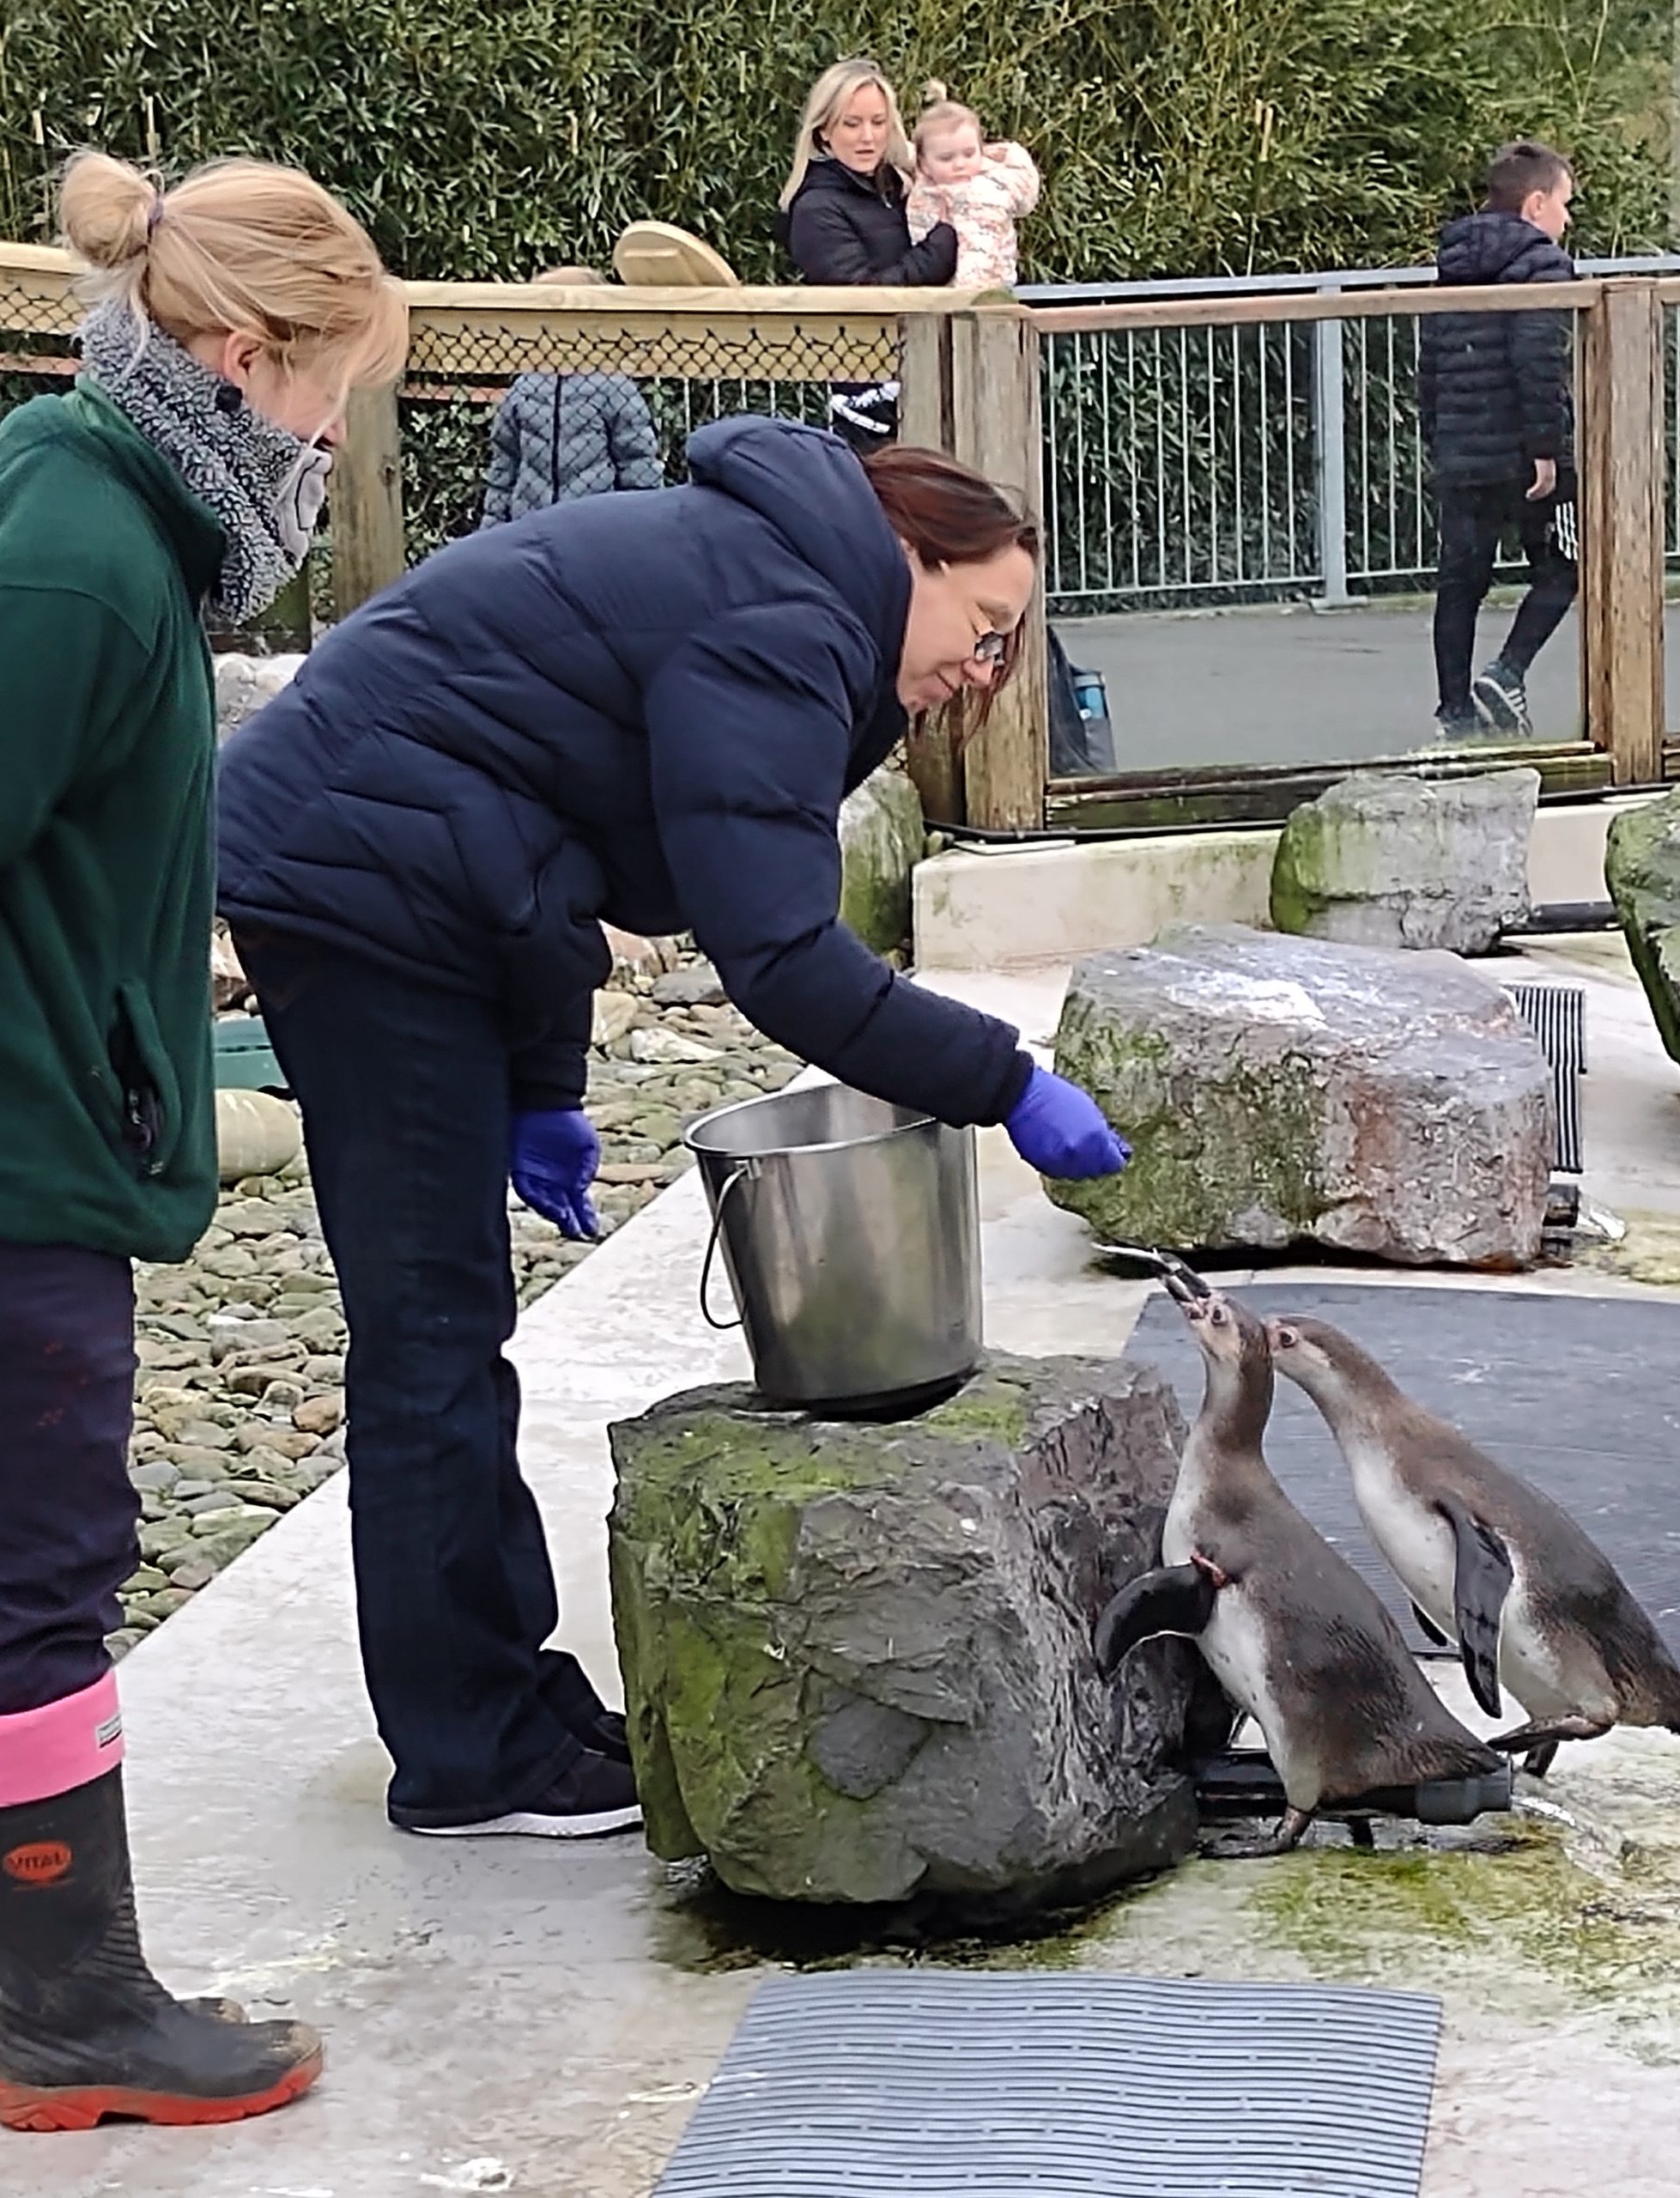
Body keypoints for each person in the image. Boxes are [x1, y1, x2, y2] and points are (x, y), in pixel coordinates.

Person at [215, 418, 1130, 1845]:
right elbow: (781, 959)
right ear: (911, 555)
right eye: (984, 622)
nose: (986, 669)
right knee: (429, 1336)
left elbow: (537, 829)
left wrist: (541, 1085)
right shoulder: (788, 620)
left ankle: (506, 1689)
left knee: (450, 1328)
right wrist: (1002, 1082)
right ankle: (469, 1754)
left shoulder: (759, 576)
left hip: (409, 874)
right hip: (354, 889)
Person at [0, 149, 405, 2129]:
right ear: (237, 357)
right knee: (43, 1557)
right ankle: (73, 2008)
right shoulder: (87, 552)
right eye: (327, 395)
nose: (327, 436)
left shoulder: (91, 485)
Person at [1419, 139, 1578, 740]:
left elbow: (1430, 363)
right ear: (1536, 204)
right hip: (1520, 451)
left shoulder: (1453, 264)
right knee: (1566, 564)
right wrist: (1546, 449)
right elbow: (1537, 359)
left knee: (1461, 579)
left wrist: (1439, 436)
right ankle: (1507, 671)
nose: (1568, 218)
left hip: (1462, 450)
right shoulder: (1542, 264)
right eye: (1564, 203)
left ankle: (1454, 713)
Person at [775, 58, 957, 449]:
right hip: (868, 404)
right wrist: (941, 248)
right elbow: (862, 294)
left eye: (878, 122)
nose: (868, 137)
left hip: (929, 377)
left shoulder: (899, 188)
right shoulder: (815, 209)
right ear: (824, 132)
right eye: (852, 124)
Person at [480, 265, 663, 527]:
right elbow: (504, 467)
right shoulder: (525, 387)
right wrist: (492, 529)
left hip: (594, 534)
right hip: (531, 530)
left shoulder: (613, 386)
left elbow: (638, 469)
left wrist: (642, 532)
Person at [906, 84, 1041, 292]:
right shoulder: (923, 188)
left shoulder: (986, 191)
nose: (959, 164)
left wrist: (969, 292)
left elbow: (981, 247)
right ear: (924, 163)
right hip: (935, 289)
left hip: (986, 288)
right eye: (946, 158)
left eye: (969, 154)